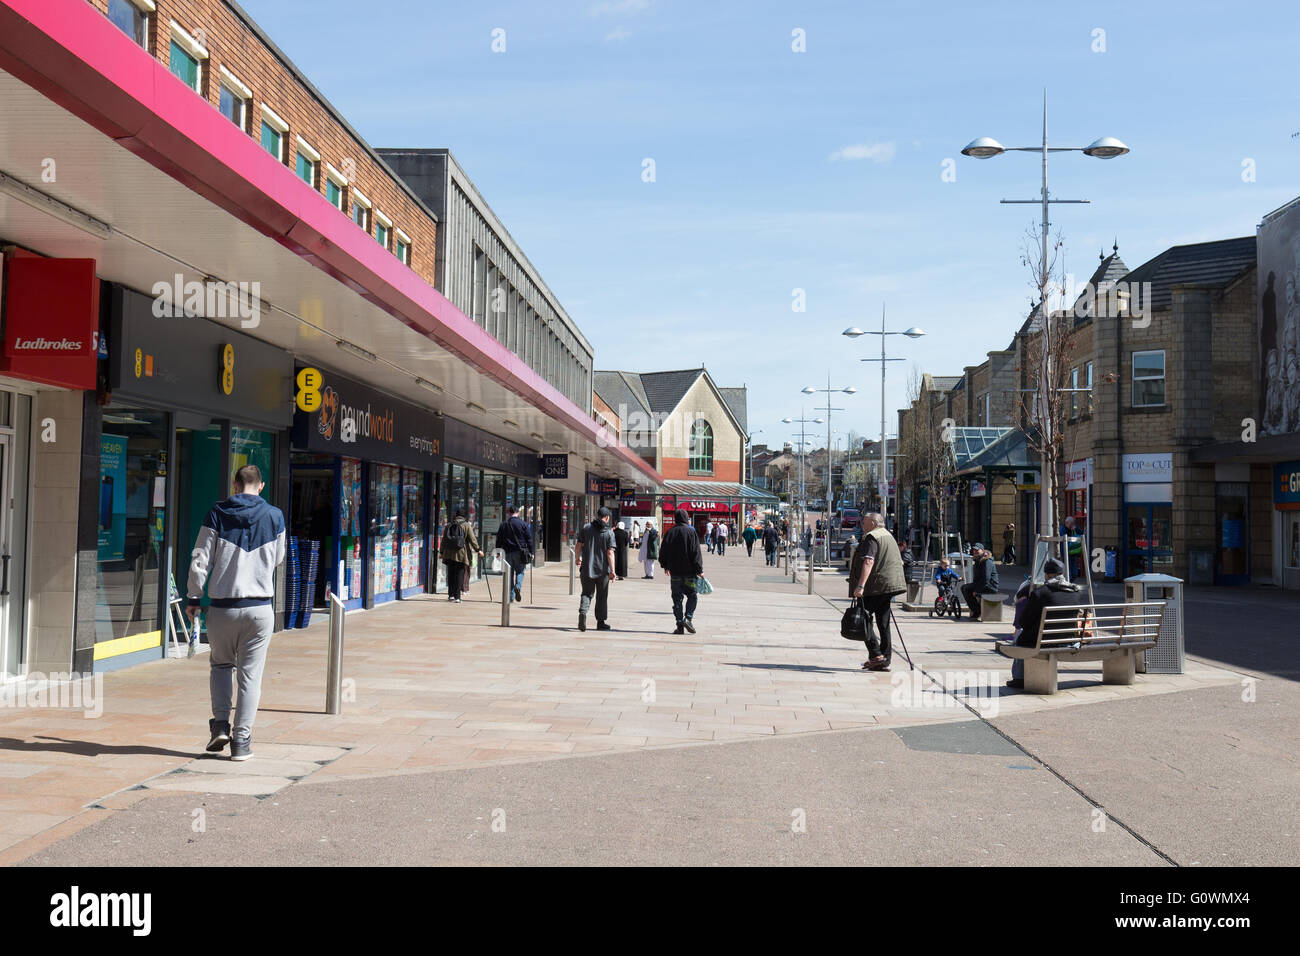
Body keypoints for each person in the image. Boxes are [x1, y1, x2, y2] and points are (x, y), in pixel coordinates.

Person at [187, 465, 286, 762]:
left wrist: (194, 596)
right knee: (250, 677)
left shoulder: (217, 512)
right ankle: (241, 743)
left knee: (220, 666)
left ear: (234, 484)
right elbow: (279, 557)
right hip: (259, 608)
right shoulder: (275, 516)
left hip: (223, 608)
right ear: (262, 486)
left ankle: (219, 724)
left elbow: (200, 558)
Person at [1007, 557, 1084, 688]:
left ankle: (1019, 678)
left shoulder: (1040, 593)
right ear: (1062, 574)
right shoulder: (1075, 592)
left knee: (1020, 636)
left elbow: (1024, 622)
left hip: (1043, 641)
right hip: (1069, 640)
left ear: (1047, 574)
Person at [848, 512, 906, 671]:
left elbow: (868, 561)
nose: (862, 525)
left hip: (876, 585)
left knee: (863, 617)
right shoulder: (888, 535)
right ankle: (885, 659)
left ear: (872, 524)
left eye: (864, 522)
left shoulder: (872, 537)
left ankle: (875, 654)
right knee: (883, 621)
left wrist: (860, 586)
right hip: (889, 585)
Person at [659, 508, 703, 635]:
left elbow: (663, 551)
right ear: (686, 518)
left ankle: (679, 625)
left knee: (677, 599)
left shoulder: (670, 532)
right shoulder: (691, 531)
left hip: (675, 573)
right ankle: (688, 618)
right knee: (692, 595)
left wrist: (666, 566)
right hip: (690, 573)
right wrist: (699, 570)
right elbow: (696, 553)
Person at [576, 506, 617, 631]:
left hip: (587, 568)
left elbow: (578, 545)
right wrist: (613, 571)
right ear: (607, 517)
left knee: (586, 593)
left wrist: (578, 558)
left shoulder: (586, 528)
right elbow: (610, 553)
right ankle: (601, 622)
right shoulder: (609, 532)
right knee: (602, 596)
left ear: (597, 516)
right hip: (602, 571)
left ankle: (583, 611)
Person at [441, 509, 481, 603]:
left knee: (450, 574)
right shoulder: (466, 525)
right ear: (464, 516)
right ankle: (457, 597)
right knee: (459, 575)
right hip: (461, 554)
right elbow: (472, 539)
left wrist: (441, 552)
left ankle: (450, 595)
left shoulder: (449, 525)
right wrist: (478, 550)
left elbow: (444, 540)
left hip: (449, 553)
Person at [494, 504, 533, 603]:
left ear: (509, 513)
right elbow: (529, 539)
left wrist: (498, 551)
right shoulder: (523, 524)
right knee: (520, 571)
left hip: (507, 552)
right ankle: (518, 586)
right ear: (518, 513)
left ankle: (510, 597)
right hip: (521, 552)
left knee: (509, 574)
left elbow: (499, 539)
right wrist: (531, 552)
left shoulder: (504, 524)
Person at [962, 543, 1000, 621]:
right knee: (964, 587)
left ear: (982, 550)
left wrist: (977, 591)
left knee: (966, 589)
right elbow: (977, 578)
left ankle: (978, 611)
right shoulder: (978, 560)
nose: (975, 551)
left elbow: (986, 579)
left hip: (990, 587)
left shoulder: (987, 561)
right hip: (983, 585)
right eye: (974, 550)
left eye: (977, 550)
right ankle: (977, 610)